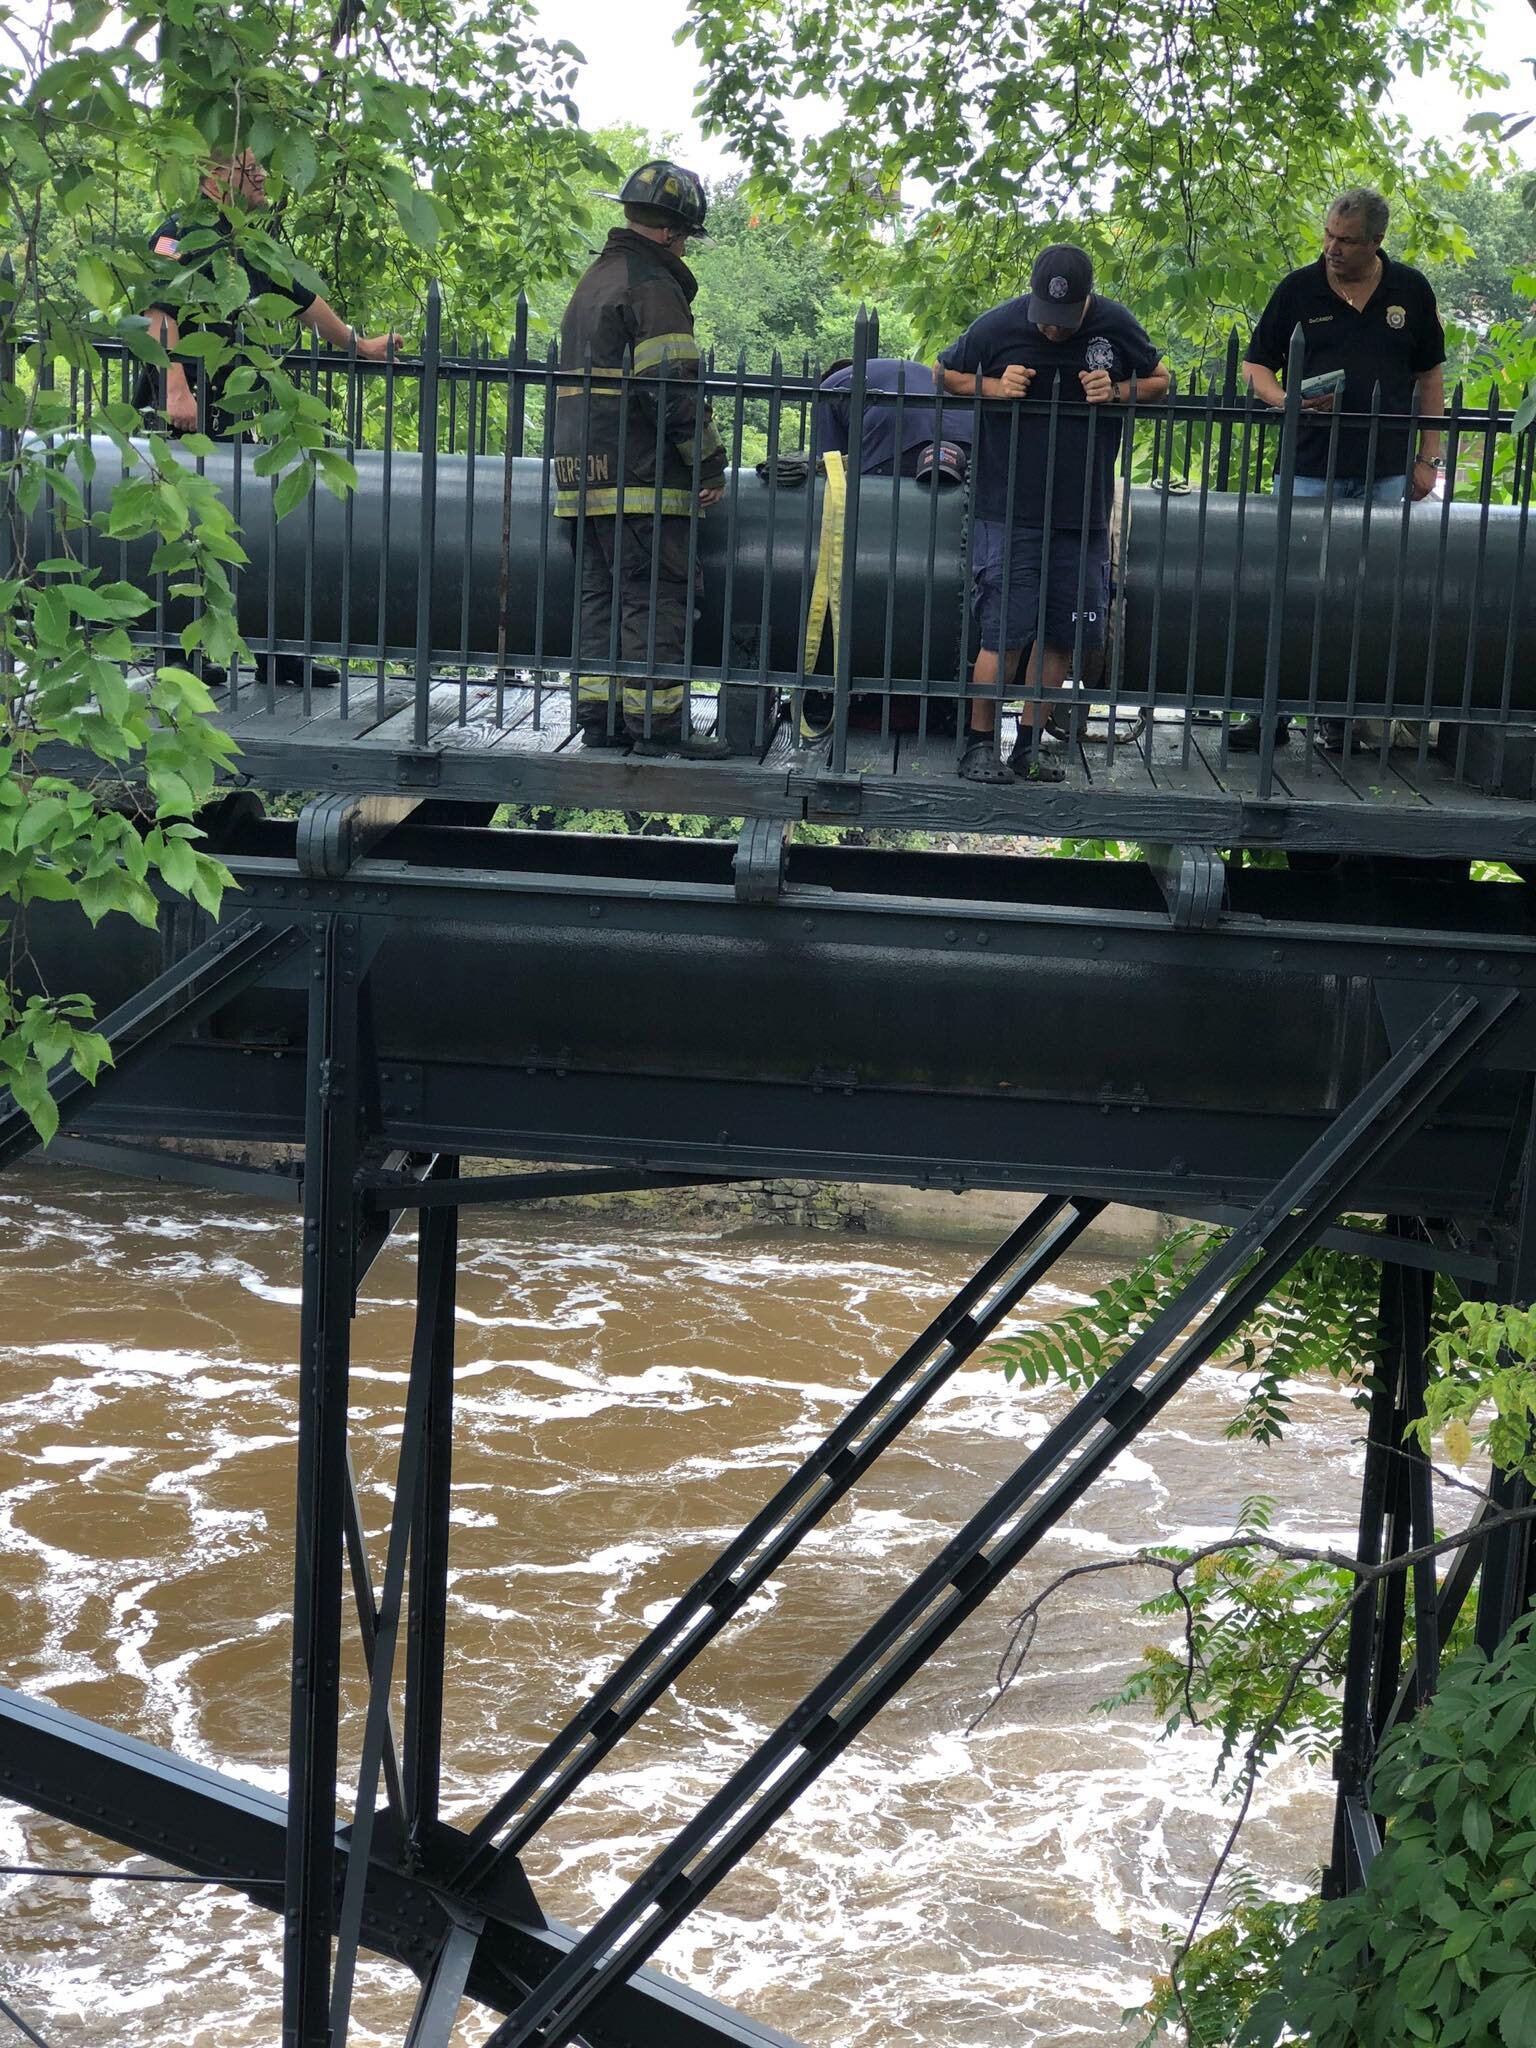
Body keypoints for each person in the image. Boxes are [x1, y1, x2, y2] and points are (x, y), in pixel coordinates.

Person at [140, 147, 402, 689]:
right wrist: (175, 387)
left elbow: (304, 300)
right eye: (248, 169)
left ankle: (275, 649)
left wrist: (362, 346)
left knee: (257, 528)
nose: (260, 177)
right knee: (184, 527)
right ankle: (181, 652)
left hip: (239, 406)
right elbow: (157, 315)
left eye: (260, 168)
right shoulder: (177, 235)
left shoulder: (253, 243)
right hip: (185, 410)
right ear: (214, 179)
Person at [937, 245, 1167, 783]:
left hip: (1083, 512)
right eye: (1045, 319)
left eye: (1065, 323)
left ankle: (1029, 746)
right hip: (1008, 507)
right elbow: (943, 374)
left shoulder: (1116, 325)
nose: (1053, 332)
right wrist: (992, 386)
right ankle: (978, 745)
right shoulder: (999, 326)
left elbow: (1161, 381)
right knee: (1003, 632)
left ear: (1088, 301)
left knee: (1063, 634)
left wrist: (1119, 390)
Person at [1231, 186, 1446, 753]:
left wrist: (1429, 457)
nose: (1331, 248)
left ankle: (1351, 718)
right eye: (1327, 235)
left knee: (1376, 597)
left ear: (1376, 242)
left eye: (1345, 241)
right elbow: (1256, 365)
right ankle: (1271, 714)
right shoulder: (1299, 289)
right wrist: (1286, 401)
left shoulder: (1411, 291)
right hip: (1308, 466)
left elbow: (1430, 378)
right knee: (1290, 592)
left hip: (1387, 470)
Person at [553, 159, 731, 756]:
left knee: (600, 595)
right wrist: (707, 463)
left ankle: (601, 720)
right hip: (641, 478)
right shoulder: (653, 285)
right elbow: (671, 388)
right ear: (671, 232)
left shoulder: (595, 279)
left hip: (582, 476)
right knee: (657, 597)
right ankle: (657, 729)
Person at [815, 358, 971, 481]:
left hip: (899, 436)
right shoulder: (896, 369)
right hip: (967, 433)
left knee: (875, 502)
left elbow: (831, 463)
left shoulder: (828, 389)